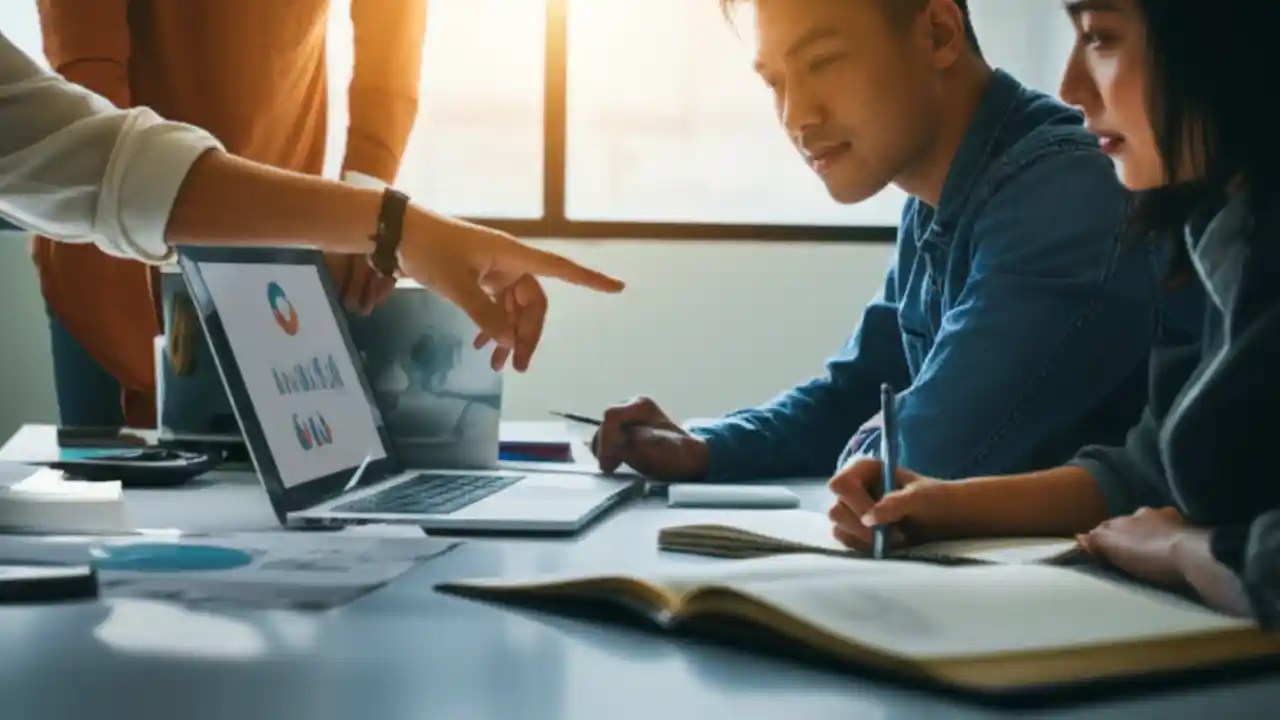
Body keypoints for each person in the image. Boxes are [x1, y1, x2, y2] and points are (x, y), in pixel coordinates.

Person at [828, 0, 1279, 626]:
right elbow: (1148, 472)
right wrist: (938, 507)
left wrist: (1186, 551)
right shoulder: (1208, 231)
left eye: (1100, 37)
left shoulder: (1061, 191)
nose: (1069, 88)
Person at [591, 0, 1169, 486]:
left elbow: (923, 453)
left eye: (823, 64)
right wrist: (706, 447)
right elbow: (858, 392)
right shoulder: (936, 198)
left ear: (937, 34)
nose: (797, 115)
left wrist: (866, 443)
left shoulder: (1063, 190)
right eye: (776, 82)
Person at [0, 32, 623, 377]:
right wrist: (385, 223)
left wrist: (378, 218)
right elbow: (92, 147)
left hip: (287, 235)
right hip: (107, 253)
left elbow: (102, 158)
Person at [32, 0, 427, 428]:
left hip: (272, 258)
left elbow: (391, 51)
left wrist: (363, 212)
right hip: (111, 267)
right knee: (123, 487)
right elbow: (93, 91)